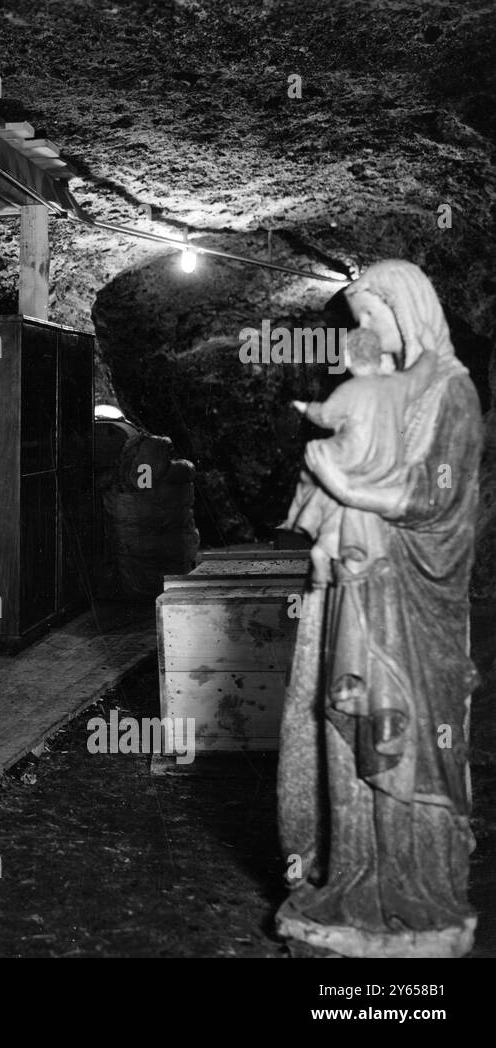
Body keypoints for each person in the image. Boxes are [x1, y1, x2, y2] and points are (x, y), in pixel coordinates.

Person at [277, 260, 482, 957]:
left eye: (372, 314)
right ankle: (353, 873)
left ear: (410, 308)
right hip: (358, 586)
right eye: (359, 318)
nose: (363, 331)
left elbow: (441, 499)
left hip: (414, 602)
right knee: (345, 719)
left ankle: (414, 889)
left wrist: (351, 490)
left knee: (409, 734)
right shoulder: (381, 389)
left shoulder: (450, 391)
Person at [283, 326, 435, 585]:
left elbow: (325, 416)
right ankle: (327, 549)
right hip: (387, 466)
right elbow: (422, 373)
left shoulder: (349, 390)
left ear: (346, 358)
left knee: (316, 458)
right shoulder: (399, 384)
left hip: (350, 460)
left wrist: (304, 407)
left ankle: (314, 535)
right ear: (378, 356)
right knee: (338, 502)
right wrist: (429, 349)